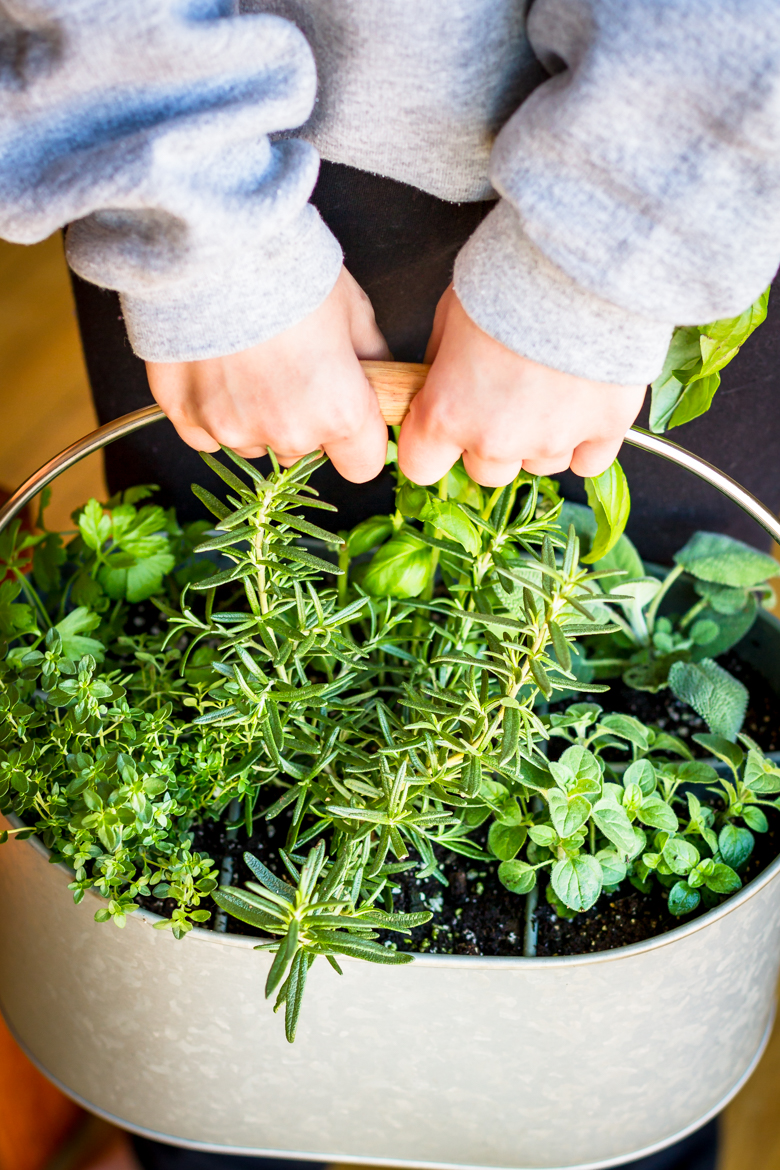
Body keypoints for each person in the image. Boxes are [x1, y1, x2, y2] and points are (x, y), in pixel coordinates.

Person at [2, 2, 780, 1168]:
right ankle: (194, 1126)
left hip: (701, 181)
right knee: (203, 1028)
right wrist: (200, 217)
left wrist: (603, 263)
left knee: (603, 1068)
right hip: (273, 145)